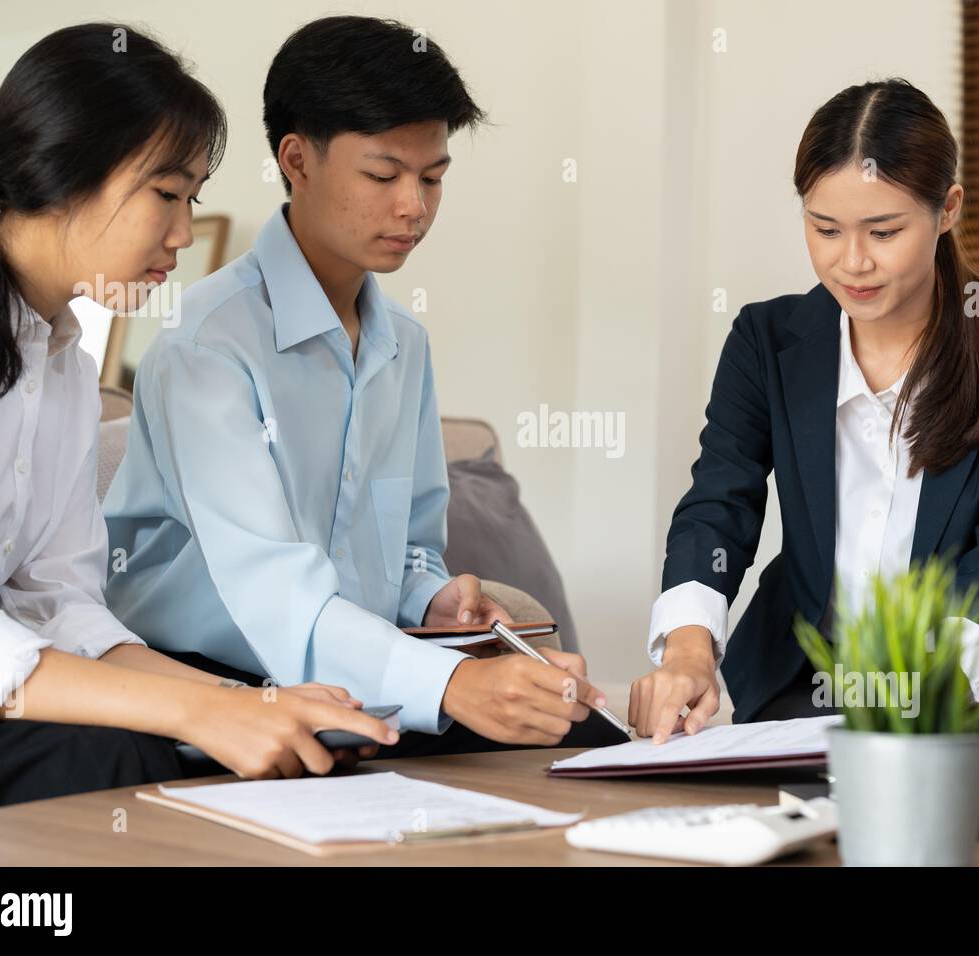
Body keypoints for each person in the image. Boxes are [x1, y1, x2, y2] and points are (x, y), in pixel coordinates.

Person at [103, 16, 624, 757]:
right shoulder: (207, 347)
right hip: (215, 689)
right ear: (297, 160)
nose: (413, 205)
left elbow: (408, 543)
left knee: (571, 748)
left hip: (361, 674)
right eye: (384, 176)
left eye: (433, 177)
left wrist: (429, 594)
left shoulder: (403, 345)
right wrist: (446, 685)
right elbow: (274, 596)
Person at [0, 23, 398, 823]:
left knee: (224, 737)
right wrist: (192, 713)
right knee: (125, 747)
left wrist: (246, 701)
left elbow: (61, 605)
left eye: (191, 201)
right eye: (165, 195)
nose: (182, 235)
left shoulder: (64, 362)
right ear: (69, 171)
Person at [627, 78, 979, 783]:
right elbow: (719, 502)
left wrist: (932, 683)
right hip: (805, 678)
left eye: (884, 231)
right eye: (825, 229)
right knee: (754, 802)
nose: (852, 262)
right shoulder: (766, 339)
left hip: (969, 694)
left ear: (947, 211)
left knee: (903, 791)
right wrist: (689, 646)